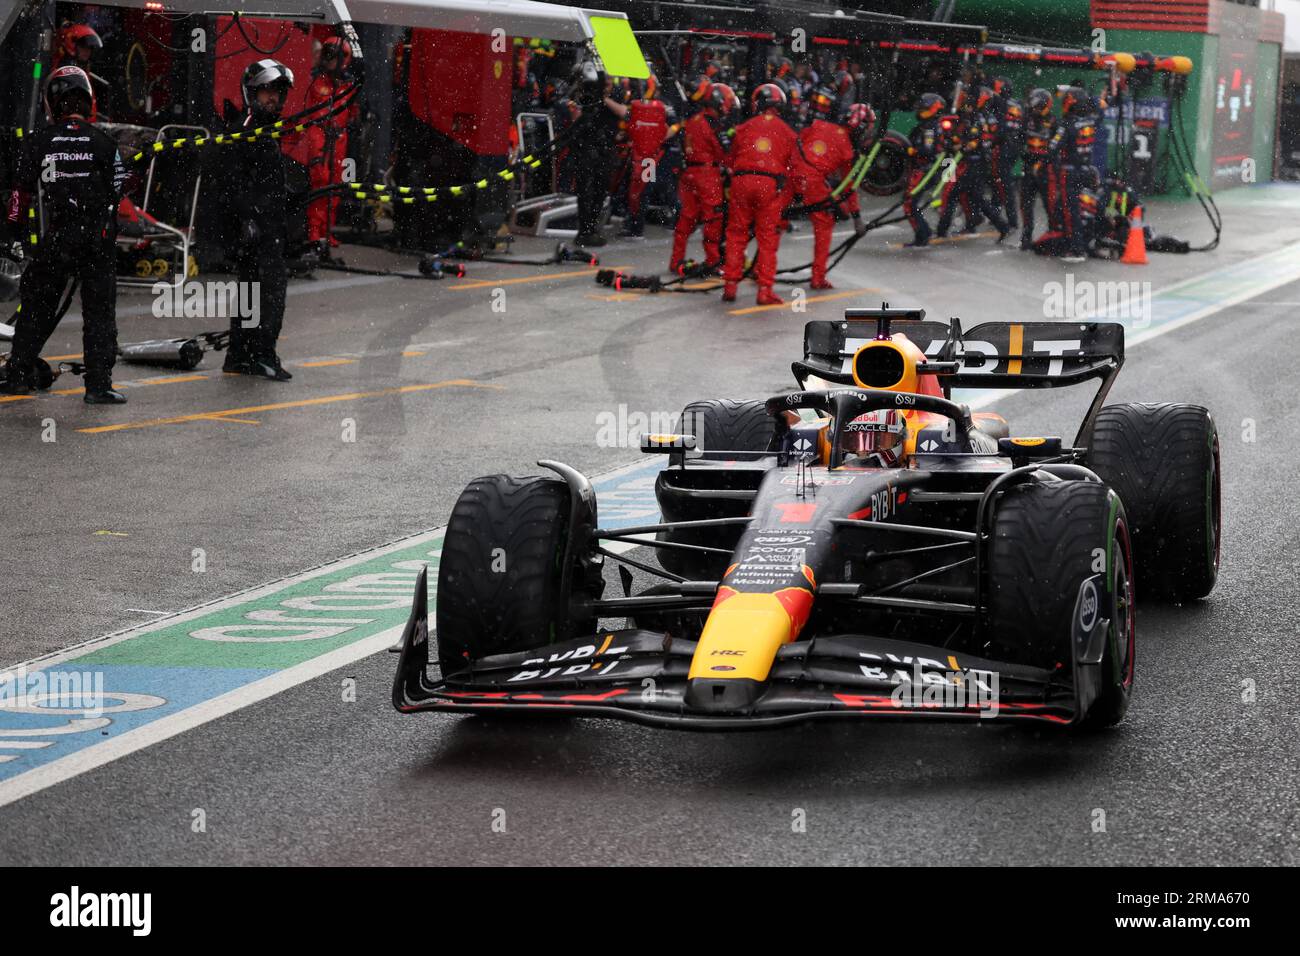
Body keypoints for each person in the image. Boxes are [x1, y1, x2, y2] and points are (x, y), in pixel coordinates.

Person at [2, 66, 128, 402]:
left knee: (36, 307)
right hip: (97, 239)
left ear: (51, 102)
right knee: (99, 313)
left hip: (58, 237)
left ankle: (17, 374)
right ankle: (98, 386)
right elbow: (118, 191)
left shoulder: (38, 141)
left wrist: (12, 235)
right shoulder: (105, 142)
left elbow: (19, 196)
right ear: (88, 101)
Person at [222, 59, 295, 380]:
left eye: (278, 93)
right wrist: (246, 219)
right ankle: (262, 353)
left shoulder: (266, 129)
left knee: (252, 291)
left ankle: (240, 354)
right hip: (257, 229)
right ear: (252, 92)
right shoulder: (247, 129)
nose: (274, 99)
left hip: (268, 225)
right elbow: (233, 180)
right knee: (269, 291)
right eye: (267, 92)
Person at [722, 83, 797, 306]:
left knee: (736, 234)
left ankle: (730, 286)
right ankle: (764, 290)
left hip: (741, 181)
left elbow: (730, 157)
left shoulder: (743, 127)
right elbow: (792, 165)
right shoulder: (787, 132)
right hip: (769, 184)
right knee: (767, 239)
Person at [789, 87, 866, 289]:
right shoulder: (848, 149)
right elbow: (848, 185)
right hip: (812, 181)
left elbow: (796, 141)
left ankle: (759, 274)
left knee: (771, 221)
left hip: (791, 175)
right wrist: (857, 218)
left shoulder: (819, 125)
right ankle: (818, 277)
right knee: (824, 224)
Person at [299, 37, 358, 255]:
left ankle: (326, 231)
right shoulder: (317, 82)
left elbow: (352, 113)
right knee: (321, 183)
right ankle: (315, 232)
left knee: (336, 185)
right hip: (320, 136)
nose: (330, 60)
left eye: (334, 56)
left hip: (339, 139)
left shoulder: (348, 84)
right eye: (328, 55)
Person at [669, 79, 727, 274]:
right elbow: (722, 151)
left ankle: (676, 260)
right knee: (713, 219)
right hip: (707, 175)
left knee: (686, 218)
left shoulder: (693, 120)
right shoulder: (713, 123)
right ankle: (713, 261)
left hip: (689, 173)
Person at [934, 96, 1009, 241]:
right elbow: (948, 139)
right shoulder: (958, 120)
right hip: (952, 162)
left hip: (969, 164)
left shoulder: (975, 121)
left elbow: (971, 144)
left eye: (966, 105)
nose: (963, 108)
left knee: (953, 195)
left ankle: (942, 231)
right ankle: (994, 225)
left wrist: (957, 146)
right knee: (967, 197)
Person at [569, 61, 625, 248]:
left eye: (609, 80)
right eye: (605, 80)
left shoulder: (616, 95)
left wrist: (605, 98)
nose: (607, 83)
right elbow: (575, 117)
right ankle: (584, 231)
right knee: (585, 191)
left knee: (601, 191)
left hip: (607, 148)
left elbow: (624, 112)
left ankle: (592, 228)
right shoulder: (586, 95)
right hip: (586, 147)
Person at [1046, 87, 1098, 262]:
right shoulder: (1090, 121)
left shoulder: (1066, 125)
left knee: (1071, 211)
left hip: (1070, 172)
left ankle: (1075, 248)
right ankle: (1084, 242)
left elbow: (1052, 149)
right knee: (1083, 208)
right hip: (1086, 170)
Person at [620, 75, 668, 239]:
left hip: (644, 158)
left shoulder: (635, 106)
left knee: (639, 193)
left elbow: (624, 127)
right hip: (649, 158)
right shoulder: (662, 108)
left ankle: (636, 227)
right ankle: (634, 224)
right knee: (640, 193)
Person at [902, 93, 944, 248]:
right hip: (925, 169)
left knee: (909, 203)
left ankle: (922, 236)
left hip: (926, 170)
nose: (920, 111)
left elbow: (928, 150)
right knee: (910, 203)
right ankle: (924, 232)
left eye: (924, 108)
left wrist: (912, 151)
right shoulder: (927, 126)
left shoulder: (930, 128)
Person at [983, 80, 1024, 232]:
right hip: (1014, 147)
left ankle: (1011, 221)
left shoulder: (999, 102)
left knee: (1003, 183)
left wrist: (991, 144)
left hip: (1003, 147)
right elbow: (1022, 128)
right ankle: (995, 212)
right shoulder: (1018, 104)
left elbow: (998, 129)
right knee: (998, 180)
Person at [1018, 87, 1056, 249]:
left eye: (1038, 106)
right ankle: (1026, 237)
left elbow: (1056, 148)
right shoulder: (1027, 119)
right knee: (1026, 204)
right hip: (1028, 167)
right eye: (1033, 106)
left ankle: (1054, 233)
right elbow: (1019, 139)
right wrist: (1024, 154)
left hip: (1045, 169)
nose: (1034, 109)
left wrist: (1045, 162)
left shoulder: (1054, 122)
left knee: (1050, 204)